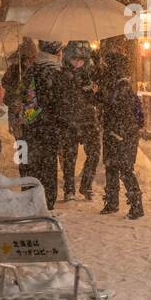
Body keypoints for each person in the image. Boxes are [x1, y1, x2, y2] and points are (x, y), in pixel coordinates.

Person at [98, 53, 144, 219]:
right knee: (111, 167)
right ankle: (112, 202)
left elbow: (118, 110)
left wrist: (120, 131)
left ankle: (136, 205)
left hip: (122, 135)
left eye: (106, 66)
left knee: (124, 169)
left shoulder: (121, 88)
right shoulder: (119, 86)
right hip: (117, 134)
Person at [21, 40, 66, 208]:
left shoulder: (31, 71)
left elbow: (20, 96)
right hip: (49, 129)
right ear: (55, 53)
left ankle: (30, 199)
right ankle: (47, 201)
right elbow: (62, 104)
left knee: (31, 164)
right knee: (48, 166)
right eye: (60, 51)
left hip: (31, 127)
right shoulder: (57, 74)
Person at [59, 41, 102, 202]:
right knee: (69, 157)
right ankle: (69, 189)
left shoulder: (90, 74)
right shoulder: (62, 75)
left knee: (94, 153)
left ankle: (86, 184)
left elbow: (96, 99)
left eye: (81, 59)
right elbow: (59, 98)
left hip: (88, 120)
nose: (77, 62)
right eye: (74, 59)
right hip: (69, 121)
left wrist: (94, 92)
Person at [1, 38, 37, 144]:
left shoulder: (35, 69)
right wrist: (16, 89)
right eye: (29, 57)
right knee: (21, 141)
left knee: (27, 141)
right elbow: (5, 83)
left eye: (32, 57)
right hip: (17, 110)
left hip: (28, 110)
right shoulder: (15, 68)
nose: (31, 60)